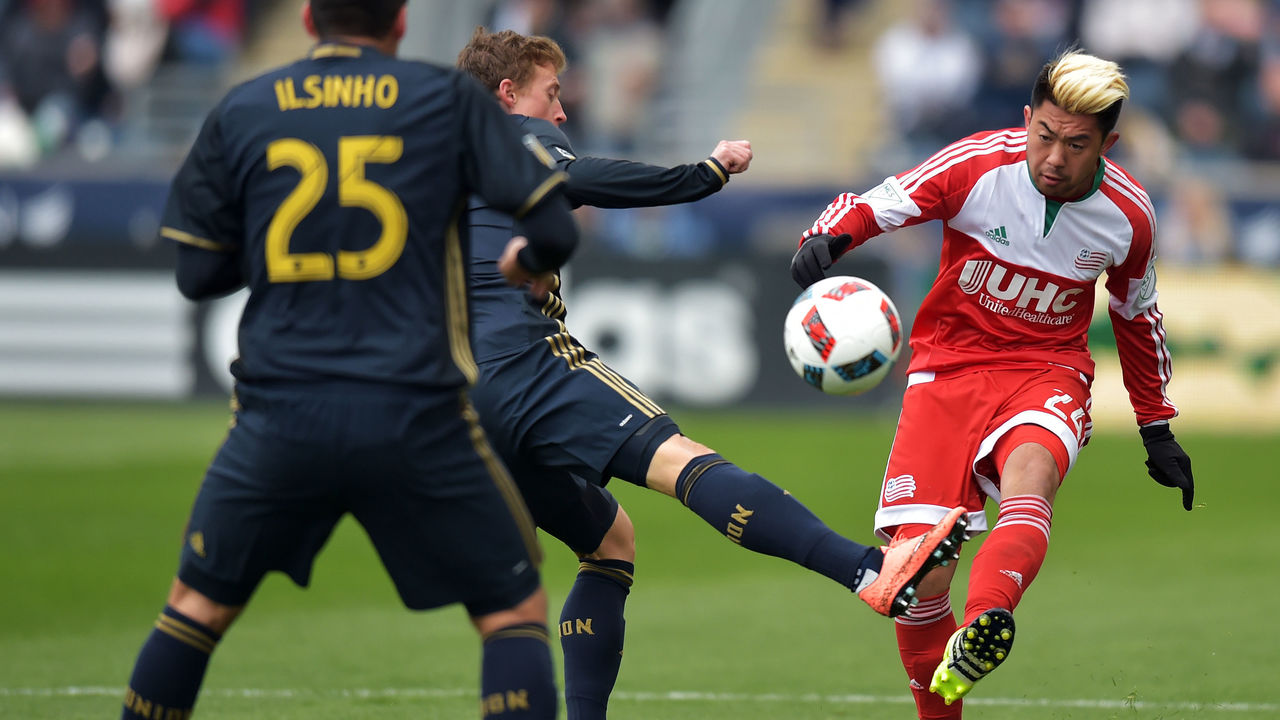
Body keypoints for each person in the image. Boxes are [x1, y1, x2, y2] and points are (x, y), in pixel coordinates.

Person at [456, 27, 971, 720]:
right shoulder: (509, 136)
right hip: (518, 359)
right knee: (681, 462)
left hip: (450, 394)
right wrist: (704, 174)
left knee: (609, 544)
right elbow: (579, 177)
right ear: (508, 94)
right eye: (552, 94)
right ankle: (869, 571)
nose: (562, 113)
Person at [119, 3, 581, 719]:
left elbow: (196, 276)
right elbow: (554, 227)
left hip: (279, 417)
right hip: (415, 413)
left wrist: (287, 246)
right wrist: (523, 257)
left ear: (306, 19)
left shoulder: (244, 106)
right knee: (511, 609)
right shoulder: (446, 99)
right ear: (398, 22)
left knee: (196, 608)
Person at [791, 50, 1195, 718]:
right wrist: (831, 237)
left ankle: (989, 619)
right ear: (1026, 118)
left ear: (1108, 144)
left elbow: (1136, 316)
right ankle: (948, 687)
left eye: (1077, 145)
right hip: (945, 371)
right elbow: (885, 202)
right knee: (919, 589)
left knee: (1029, 478)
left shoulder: (1130, 217)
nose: (1055, 158)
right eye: (1045, 136)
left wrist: (1155, 425)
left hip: (1046, 372)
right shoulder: (976, 164)